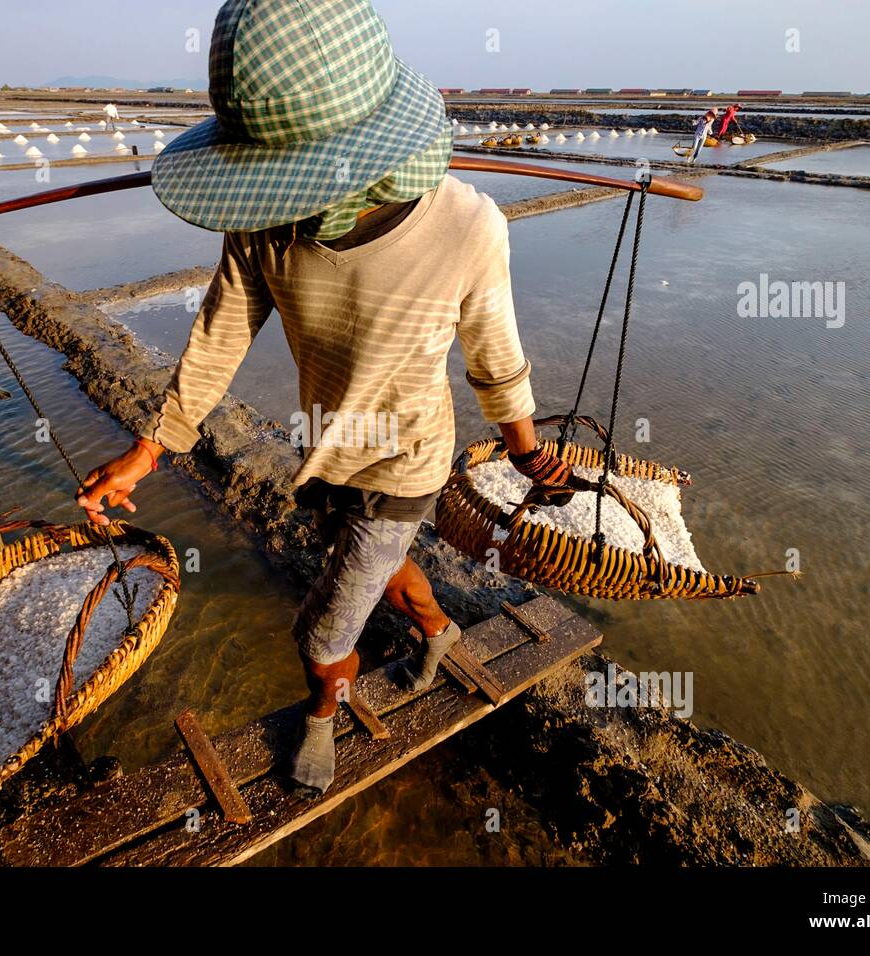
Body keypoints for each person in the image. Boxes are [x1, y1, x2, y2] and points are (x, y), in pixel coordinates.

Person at [76, 0, 572, 797]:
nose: (276, 194)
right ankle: (439, 631)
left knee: (322, 629)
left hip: (409, 460)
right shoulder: (265, 225)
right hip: (326, 448)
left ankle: (320, 714)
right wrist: (149, 449)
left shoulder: (465, 225)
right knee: (386, 566)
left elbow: (496, 361)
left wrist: (528, 454)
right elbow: (219, 337)